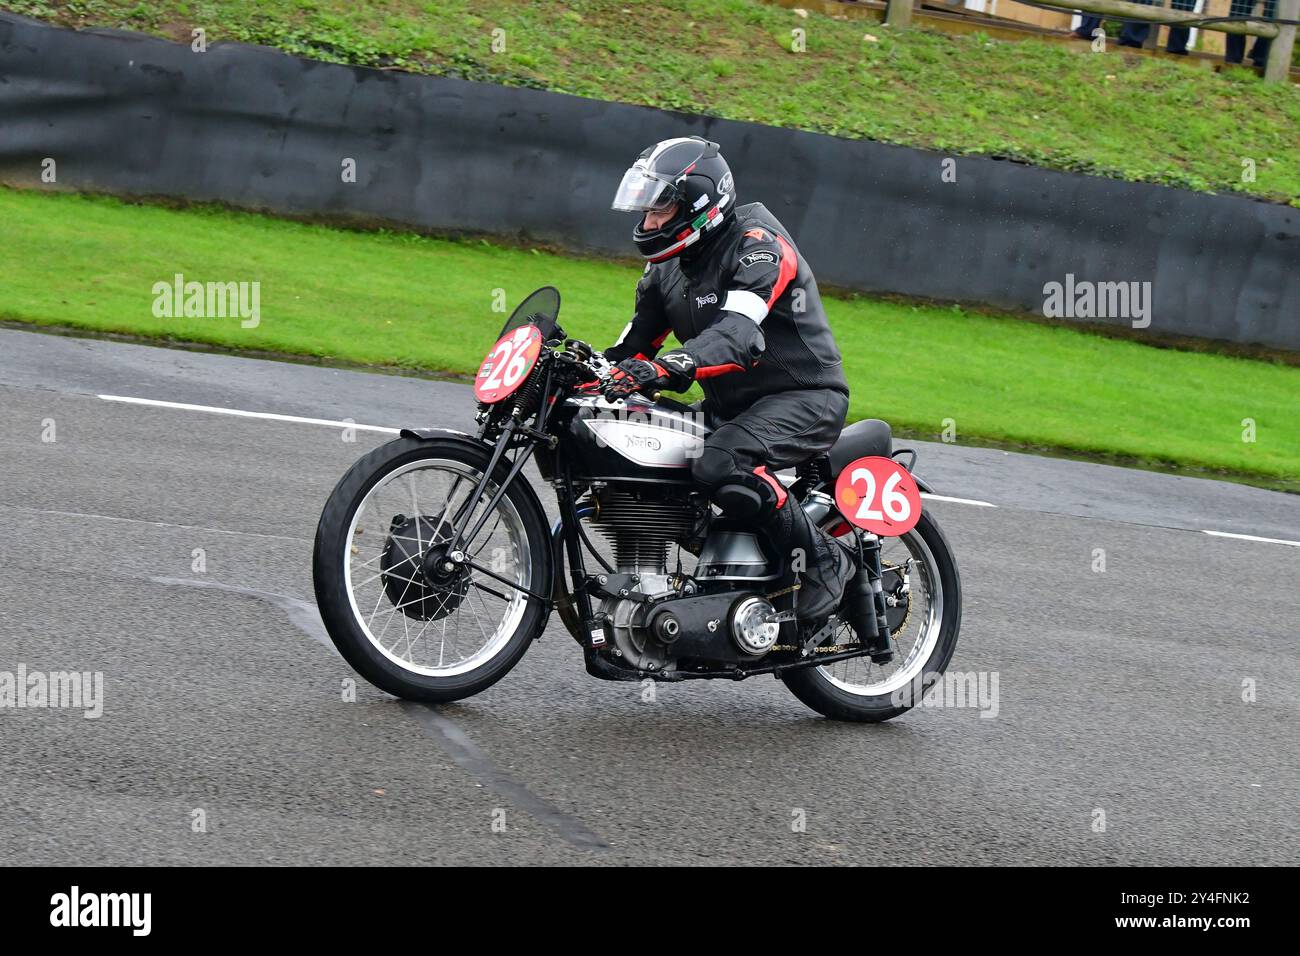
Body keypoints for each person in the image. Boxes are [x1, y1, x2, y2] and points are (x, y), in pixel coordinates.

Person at [602, 136, 856, 628]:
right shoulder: (666, 269)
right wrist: (586, 372)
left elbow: (738, 335)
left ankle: (825, 562)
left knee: (722, 459)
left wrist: (668, 367)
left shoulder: (758, 247)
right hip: (730, 409)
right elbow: (632, 350)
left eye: (660, 209)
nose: (649, 222)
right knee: (643, 438)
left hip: (804, 397)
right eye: (647, 210)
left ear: (698, 203)